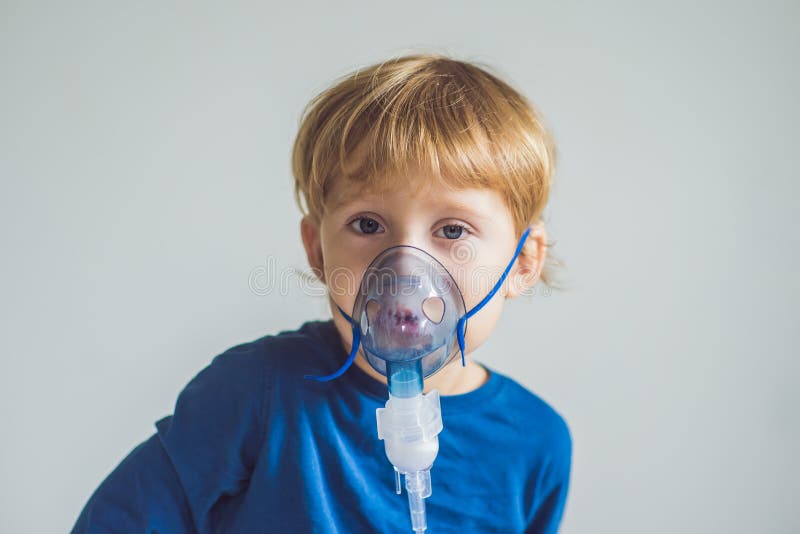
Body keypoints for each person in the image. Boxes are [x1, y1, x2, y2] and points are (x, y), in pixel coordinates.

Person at [72, 52, 572, 533]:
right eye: (368, 223)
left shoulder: (535, 445)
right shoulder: (254, 396)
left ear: (522, 262)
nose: (404, 267)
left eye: (454, 230)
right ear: (317, 252)